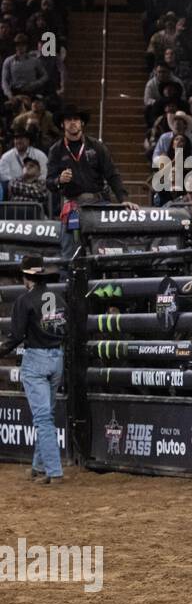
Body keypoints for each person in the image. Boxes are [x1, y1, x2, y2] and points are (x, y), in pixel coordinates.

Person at [0, 255, 67, 484]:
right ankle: (39, 467)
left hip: (36, 359)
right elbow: (67, 326)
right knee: (46, 415)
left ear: (26, 277)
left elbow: (16, 336)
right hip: (56, 357)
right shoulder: (58, 298)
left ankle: (54, 471)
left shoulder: (24, 301)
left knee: (42, 418)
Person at [45, 107, 137, 261]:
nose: (72, 123)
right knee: (70, 253)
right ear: (62, 124)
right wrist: (59, 180)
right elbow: (49, 182)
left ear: (82, 123)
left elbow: (112, 173)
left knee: (106, 250)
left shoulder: (96, 146)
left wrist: (123, 199)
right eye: (68, 120)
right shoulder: (56, 150)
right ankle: (70, 276)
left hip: (98, 205)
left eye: (76, 119)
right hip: (73, 207)